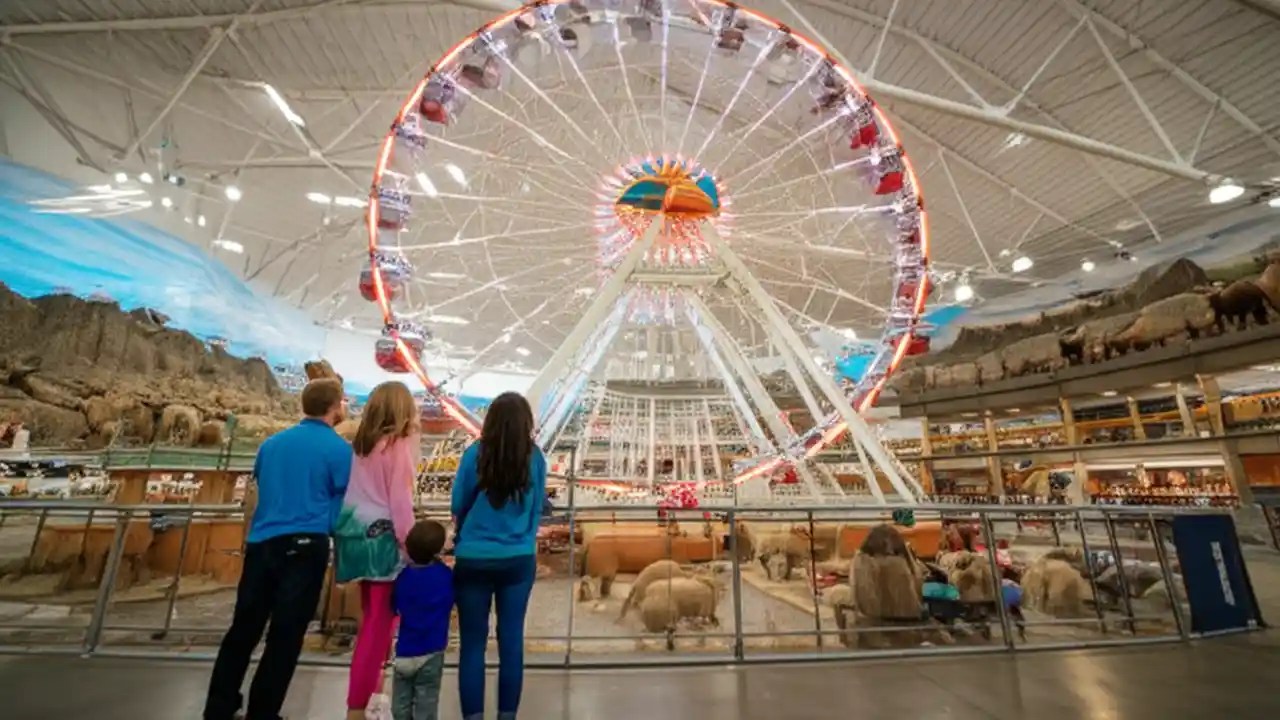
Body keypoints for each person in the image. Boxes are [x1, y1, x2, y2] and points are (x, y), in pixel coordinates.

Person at [204, 378, 351, 720]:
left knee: (243, 630)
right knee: (285, 635)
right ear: (335, 406)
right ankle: (263, 712)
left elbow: (259, 488)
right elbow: (344, 500)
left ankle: (218, 707)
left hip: (262, 544)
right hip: (305, 545)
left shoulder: (271, 445)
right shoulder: (338, 450)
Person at [451, 392, 547, 720]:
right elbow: (536, 511)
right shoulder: (534, 459)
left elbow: (457, 505)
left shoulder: (473, 456)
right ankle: (507, 715)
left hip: (473, 557)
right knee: (511, 642)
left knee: (472, 645)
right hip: (518, 559)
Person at [334, 381, 421, 720]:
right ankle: (357, 706)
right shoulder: (397, 447)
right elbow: (400, 504)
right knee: (378, 628)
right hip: (383, 543)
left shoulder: (361, 447)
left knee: (372, 619)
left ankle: (372, 698)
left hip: (354, 538)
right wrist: (411, 547)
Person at [391, 519, 454, 720]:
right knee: (426, 705)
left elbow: (394, 606)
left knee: (400, 704)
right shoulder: (444, 576)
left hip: (404, 652)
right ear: (437, 551)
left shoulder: (403, 577)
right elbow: (452, 600)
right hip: (432, 650)